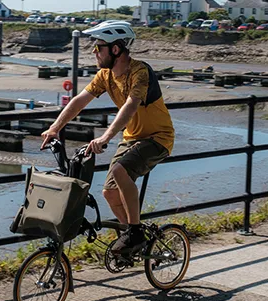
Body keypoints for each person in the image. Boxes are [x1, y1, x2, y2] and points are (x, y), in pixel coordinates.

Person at [41, 21, 175, 256]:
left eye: (99, 47)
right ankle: (133, 239)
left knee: (120, 171)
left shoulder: (140, 72)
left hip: (158, 138)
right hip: (132, 138)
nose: (94, 51)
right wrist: (54, 128)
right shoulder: (105, 75)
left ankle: (134, 231)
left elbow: (131, 105)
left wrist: (105, 136)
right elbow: (79, 101)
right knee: (109, 193)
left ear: (116, 49)